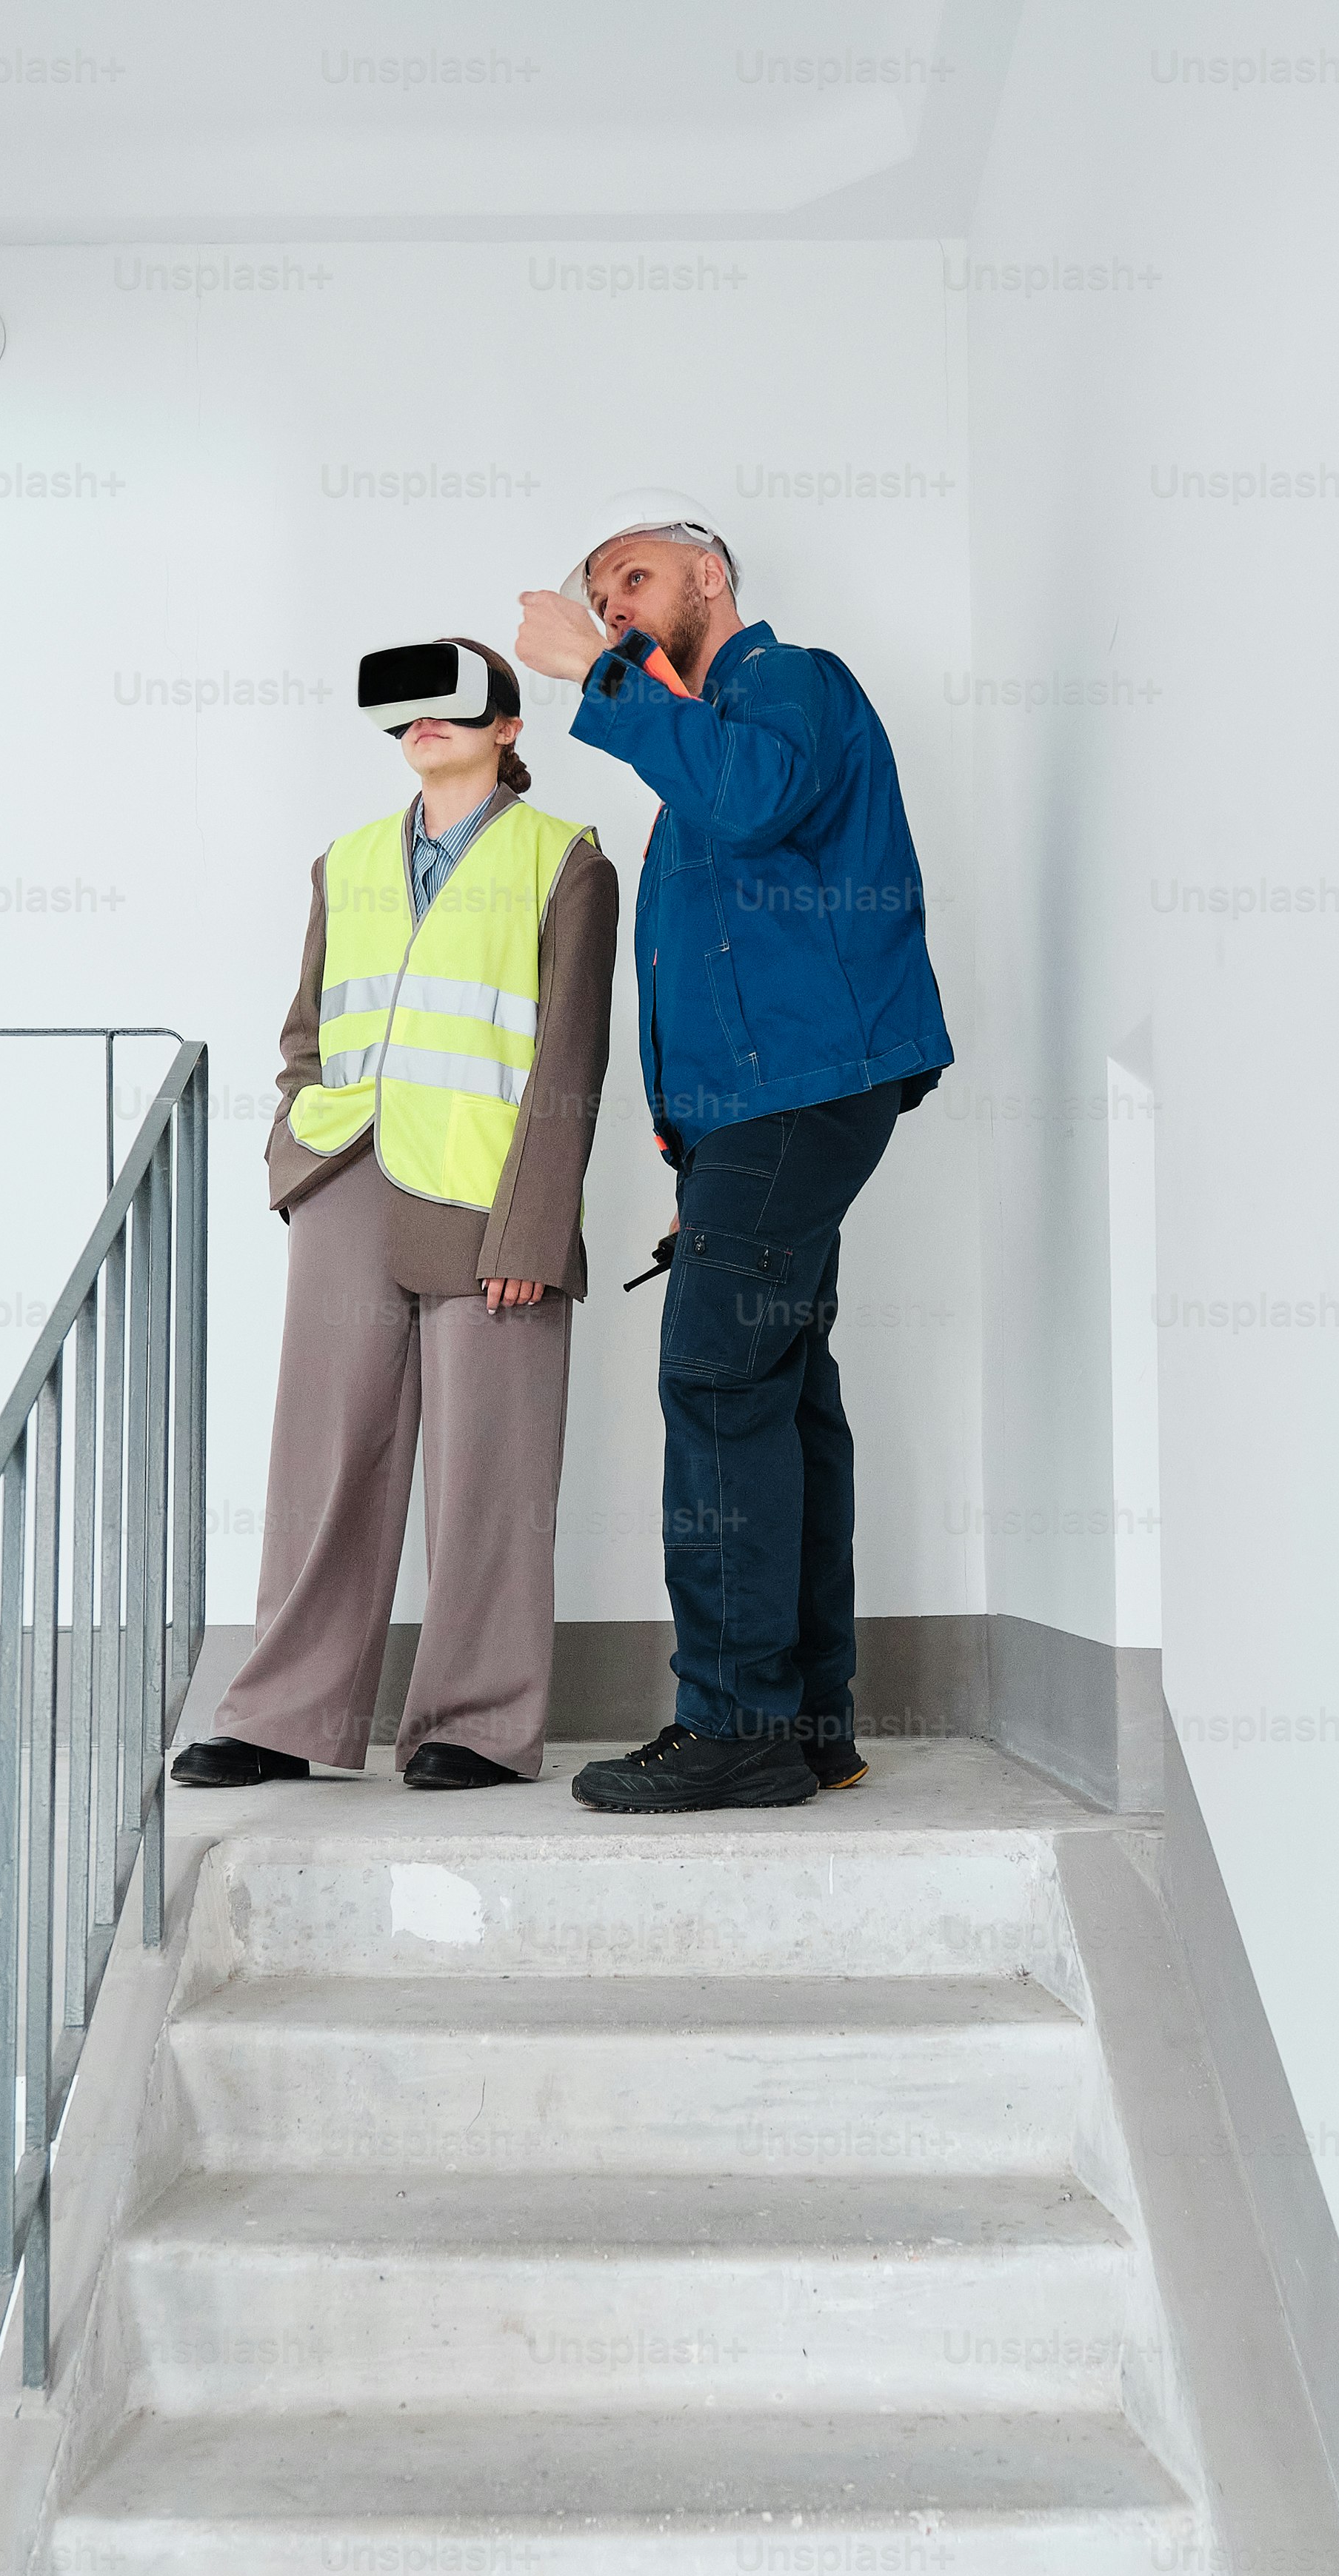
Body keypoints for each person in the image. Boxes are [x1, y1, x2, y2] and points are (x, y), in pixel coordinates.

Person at [510, 506, 952, 1811]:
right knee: (782, 1391)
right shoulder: (699, 758)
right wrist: (693, 1162)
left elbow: (755, 801)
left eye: (634, 578)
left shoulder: (790, 684)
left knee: (715, 1378)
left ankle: (734, 1723)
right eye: (602, 598)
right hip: (760, 1118)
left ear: (709, 577)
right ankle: (809, 1724)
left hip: (807, 1091)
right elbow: (710, 965)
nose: (615, 605)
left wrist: (594, 675)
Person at [170, 637, 618, 1793]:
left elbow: (571, 1058)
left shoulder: (564, 861)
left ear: (508, 729)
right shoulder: (351, 861)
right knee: (323, 1459)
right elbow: (307, 1031)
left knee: (490, 1468)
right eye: (410, 707)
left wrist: (534, 1228)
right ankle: (283, 1716)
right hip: (347, 1176)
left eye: (454, 704)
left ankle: (479, 1721)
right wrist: (296, 1152)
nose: (427, 719)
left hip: (486, 1193)